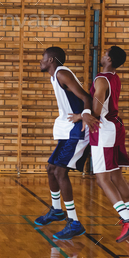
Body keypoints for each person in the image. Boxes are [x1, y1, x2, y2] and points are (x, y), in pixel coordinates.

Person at [69, 46, 129, 242]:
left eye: (105, 54)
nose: (102, 55)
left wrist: (81, 115)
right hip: (115, 128)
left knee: (102, 179)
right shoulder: (114, 77)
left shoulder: (102, 79)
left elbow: (95, 111)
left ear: (109, 60)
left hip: (103, 131)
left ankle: (127, 220)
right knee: (116, 176)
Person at [34, 47, 99, 240]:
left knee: (60, 171)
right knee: (51, 168)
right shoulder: (56, 75)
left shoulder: (62, 73)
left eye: (43, 59)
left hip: (78, 132)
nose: (41, 62)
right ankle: (56, 210)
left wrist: (84, 115)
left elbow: (86, 97)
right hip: (69, 130)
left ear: (51, 60)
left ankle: (74, 222)